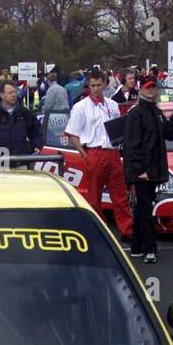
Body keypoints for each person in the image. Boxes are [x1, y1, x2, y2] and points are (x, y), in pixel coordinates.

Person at [63, 68, 133, 239]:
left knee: (120, 196)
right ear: (88, 85)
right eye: (93, 85)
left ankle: (127, 230)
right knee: (94, 198)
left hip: (113, 153)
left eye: (99, 85)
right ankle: (101, 231)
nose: (96, 88)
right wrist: (83, 154)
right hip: (93, 152)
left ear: (104, 84)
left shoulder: (113, 105)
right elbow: (72, 133)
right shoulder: (80, 107)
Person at [121, 75, 173, 264]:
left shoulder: (156, 111)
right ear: (141, 90)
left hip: (155, 169)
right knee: (145, 209)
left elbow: (170, 134)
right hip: (142, 171)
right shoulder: (135, 113)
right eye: (147, 87)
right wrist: (140, 170)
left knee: (142, 208)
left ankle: (137, 245)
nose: (151, 90)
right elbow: (131, 145)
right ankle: (150, 247)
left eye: (153, 87)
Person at [0, 80, 42, 158]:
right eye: (10, 93)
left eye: (14, 92)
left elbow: (37, 132)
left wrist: (37, 146)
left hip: (22, 161)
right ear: (2, 95)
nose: (13, 95)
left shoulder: (25, 113)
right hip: (1, 163)